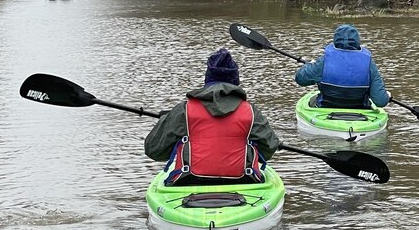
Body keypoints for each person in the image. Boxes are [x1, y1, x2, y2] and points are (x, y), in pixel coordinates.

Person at [145, 48, 281, 186]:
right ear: (236, 81)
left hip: (189, 182)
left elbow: (154, 151)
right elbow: (268, 149)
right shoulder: (251, 112)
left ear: (207, 78)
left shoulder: (183, 111)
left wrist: (169, 122)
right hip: (244, 182)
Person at [294, 24, 390, 109]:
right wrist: (386, 96)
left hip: (326, 107)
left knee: (312, 100)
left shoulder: (323, 61)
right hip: (360, 110)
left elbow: (300, 79)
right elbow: (380, 101)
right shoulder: (369, 64)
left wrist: (311, 65)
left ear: (335, 40)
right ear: (357, 41)